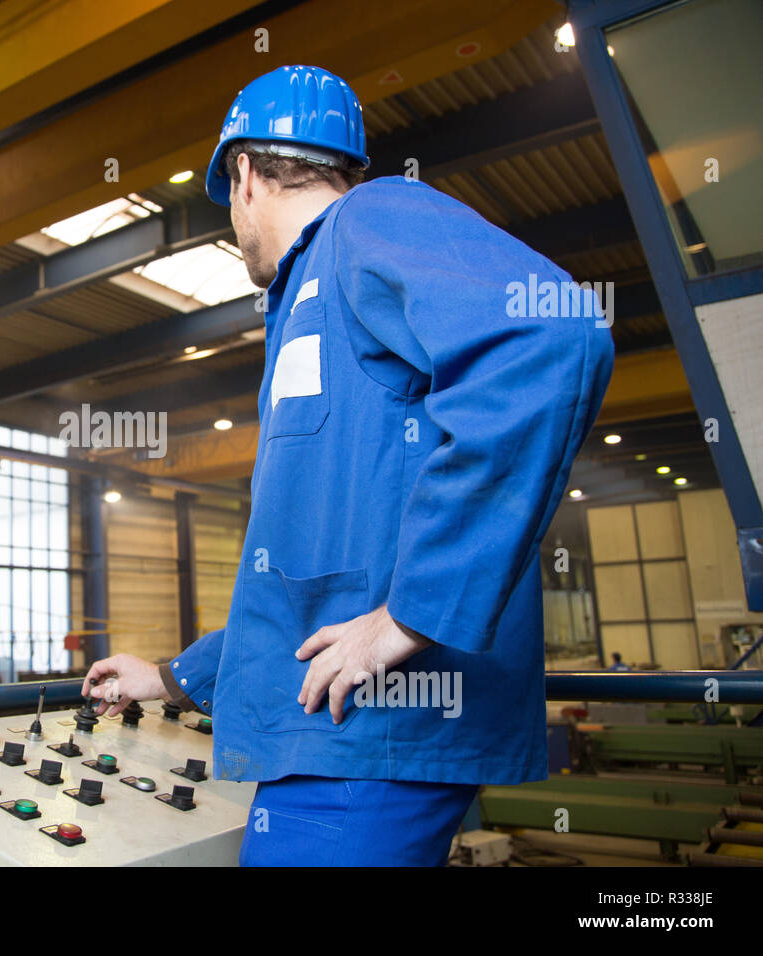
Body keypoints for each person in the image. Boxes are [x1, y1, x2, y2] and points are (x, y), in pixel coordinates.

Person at [81, 65, 614, 866]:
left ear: (246, 176)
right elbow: (322, 576)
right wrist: (171, 677)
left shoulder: (368, 221)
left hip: (365, 739)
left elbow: (554, 332)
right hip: (335, 737)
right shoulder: (316, 295)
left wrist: (411, 617)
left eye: (230, 195)